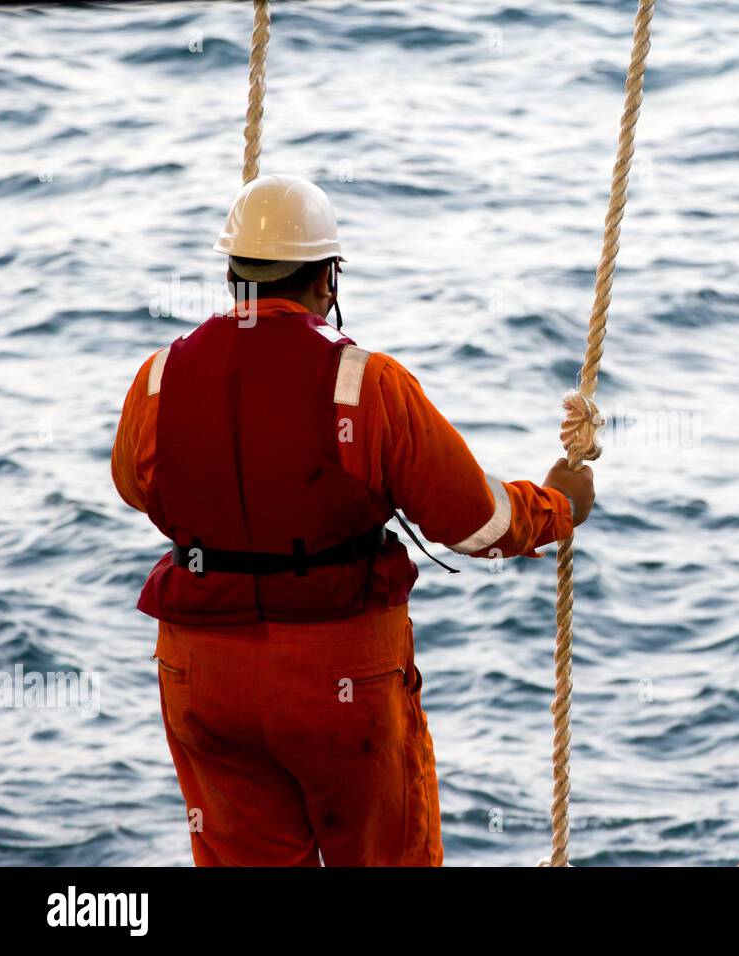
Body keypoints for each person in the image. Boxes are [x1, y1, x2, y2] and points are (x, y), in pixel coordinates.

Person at [110, 173, 595, 866]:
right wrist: (561, 504)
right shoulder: (364, 383)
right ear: (327, 280)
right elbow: (477, 523)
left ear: (231, 275)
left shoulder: (159, 377)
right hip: (337, 674)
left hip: (202, 677)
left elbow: (135, 488)